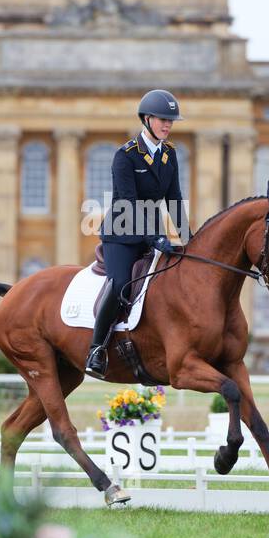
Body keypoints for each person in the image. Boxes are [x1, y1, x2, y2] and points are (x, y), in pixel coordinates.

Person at [85, 89, 191, 378]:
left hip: (152, 231)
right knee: (121, 284)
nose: (168, 125)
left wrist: (188, 239)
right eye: (162, 120)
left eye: (171, 121)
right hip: (122, 233)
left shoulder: (169, 154)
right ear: (146, 120)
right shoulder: (126, 156)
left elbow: (174, 199)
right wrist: (155, 239)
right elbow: (130, 204)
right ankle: (97, 349)